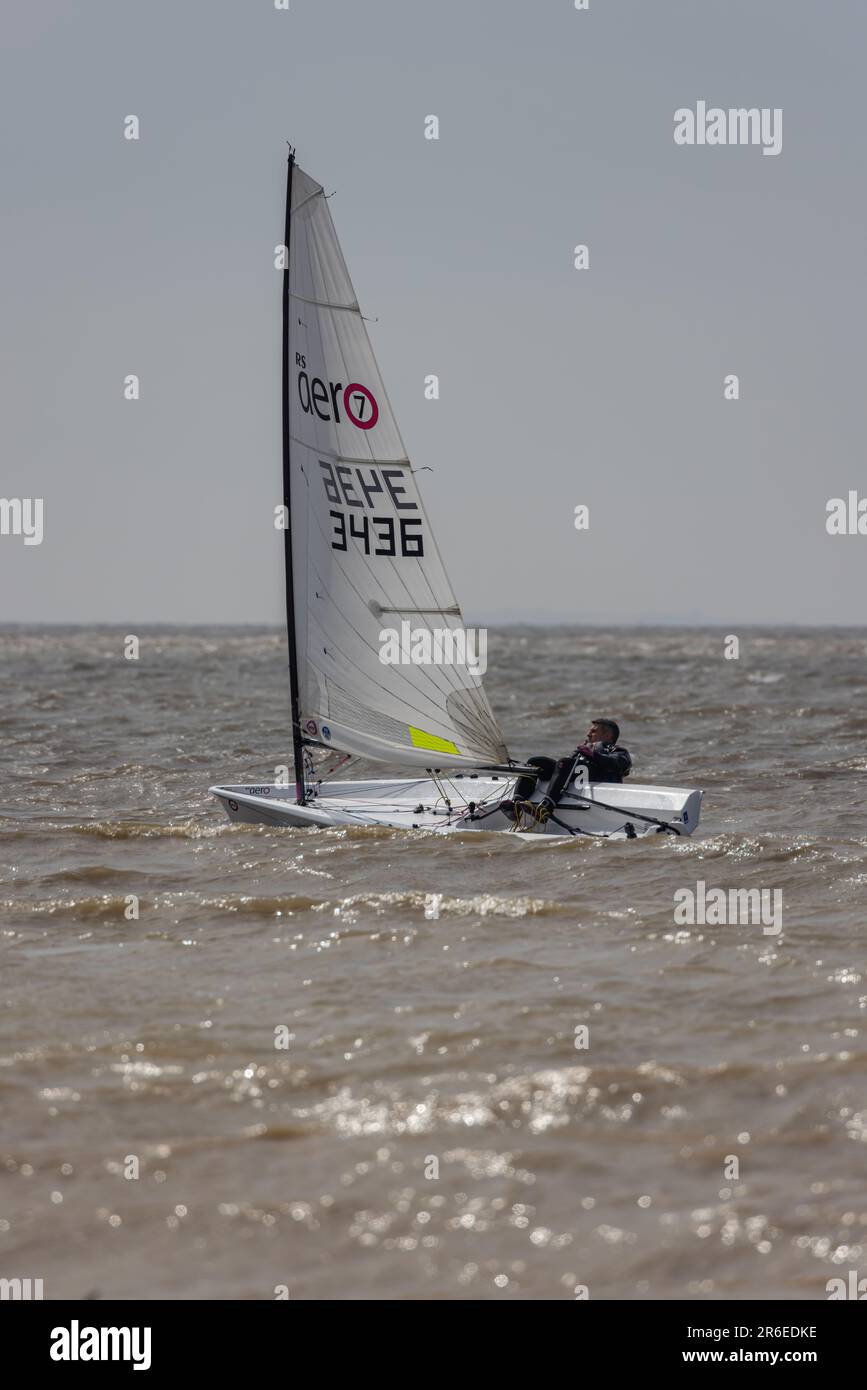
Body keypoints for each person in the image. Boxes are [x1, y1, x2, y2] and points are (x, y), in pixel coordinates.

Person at [500, 719, 632, 824]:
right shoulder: (584, 748)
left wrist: (594, 755)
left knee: (564, 762)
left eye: (593, 731)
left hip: (597, 777)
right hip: (574, 773)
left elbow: (621, 765)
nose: (588, 734)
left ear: (607, 735)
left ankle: (545, 809)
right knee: (535, 762)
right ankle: (516, 804)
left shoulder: (616, 750)